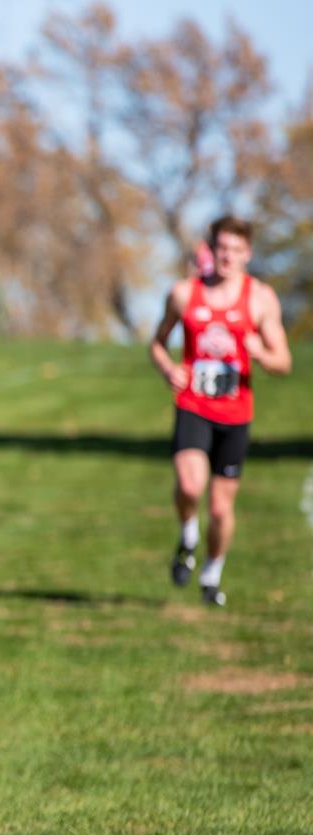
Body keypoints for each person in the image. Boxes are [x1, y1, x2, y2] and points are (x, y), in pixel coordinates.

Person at [148, 216, 292, 607]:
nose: (227, 256)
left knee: (221, 508)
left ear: (248, 254)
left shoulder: (260, 299)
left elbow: (284, 362)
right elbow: (157, 343)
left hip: (235, 414)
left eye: (235, 250)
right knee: (191, 485)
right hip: (193, 405)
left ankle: (211, 572)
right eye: (221, 248)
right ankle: (187, 533)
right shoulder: (184, 294)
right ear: (211, 250)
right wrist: (169, 369)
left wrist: (261, 353)